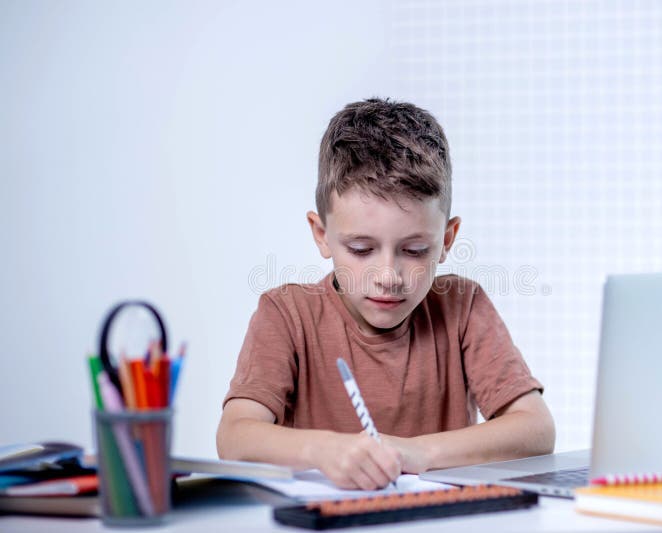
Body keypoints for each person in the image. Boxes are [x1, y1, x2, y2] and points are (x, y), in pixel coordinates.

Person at [217, 98, 555, 490]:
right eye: (361, 250)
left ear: (446, 240)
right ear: (322, 235)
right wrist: (324, 450)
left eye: (415, 250)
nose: (388, 277)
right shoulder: (287, 314)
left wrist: (415, 454)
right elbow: (235, 437)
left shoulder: (462, 307)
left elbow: (536, 429)